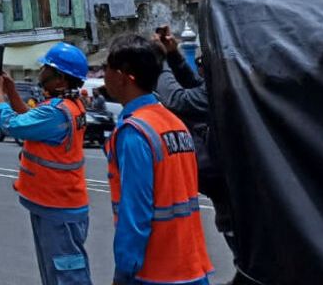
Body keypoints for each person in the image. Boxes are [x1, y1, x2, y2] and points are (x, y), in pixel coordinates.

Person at [103, 33, 214, 285]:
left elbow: (136, 212)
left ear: (123, 76)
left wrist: (123, 272)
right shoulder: (174, 123)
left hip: (156, 272)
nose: (103, 75)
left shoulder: (136, 132)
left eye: (106, 68)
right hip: (191, 266)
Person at [0, 42, 93, 285]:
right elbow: (27, 117)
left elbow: (11, 124)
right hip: (54, 205)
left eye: (47, 68)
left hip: (59, 208)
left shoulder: (57, 113)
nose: (41, 71)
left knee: (67, 276)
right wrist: (11, 91)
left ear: (61, 81)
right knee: (57, 273)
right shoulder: (67, 106)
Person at [152, 28, 241, 275]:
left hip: (238, 208)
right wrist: (173, 55)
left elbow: (177, 99)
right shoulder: (230, 86)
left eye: (203, 64)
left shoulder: (225, 93)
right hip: (235, 202)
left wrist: (160, 62)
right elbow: (195, 85)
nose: (200, 70)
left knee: (251, 265)